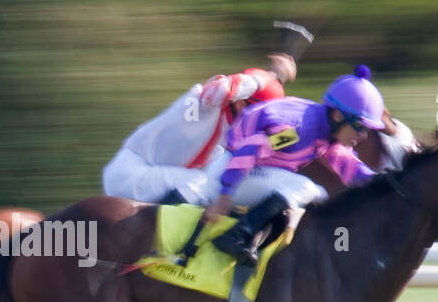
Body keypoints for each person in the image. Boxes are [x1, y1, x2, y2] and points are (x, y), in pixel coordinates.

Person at [205, 65, 387, 264]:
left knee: (318, 193)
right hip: (228, 172)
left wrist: (385, 182)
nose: (363, 136)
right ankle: (238, 234)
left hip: (248, 172)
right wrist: (225, 195)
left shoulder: (327, 133)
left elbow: (349, 164)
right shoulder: (297, 131)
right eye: (360, 126)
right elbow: (251, 148)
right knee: (305, 187)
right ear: (338, 116)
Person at [102, 54, 295, 205]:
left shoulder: (235, 130)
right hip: (133, 174)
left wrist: (278, 83)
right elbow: (221, 88)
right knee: (208, 186)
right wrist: (267, 78)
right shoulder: (203, 106)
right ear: (243, 101)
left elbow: (279, 141)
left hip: (155, 177)